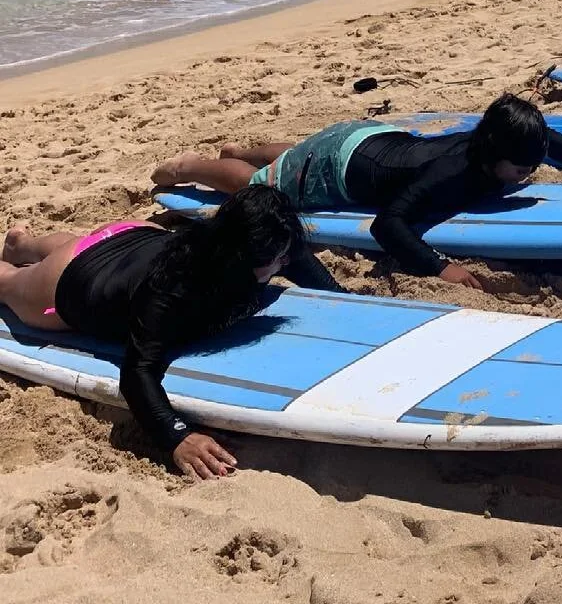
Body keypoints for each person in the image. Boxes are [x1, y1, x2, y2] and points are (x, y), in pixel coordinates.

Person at [0, 186, 327, 479]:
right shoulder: (172, 292)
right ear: (241, 259)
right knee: (9, 283)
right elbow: (138, 371)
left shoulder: (233, 238)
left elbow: (293, 253)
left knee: (75, 245)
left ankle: (23, 243)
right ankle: (18, 258)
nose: (284, 263)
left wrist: (339, 291)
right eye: (277, 259)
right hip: (69, 281)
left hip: (131, 236)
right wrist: (177, 437)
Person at [152, 95, 562, 288]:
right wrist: (441, 268)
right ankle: (197, 165)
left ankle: (244, 146)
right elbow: (388, 224)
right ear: (494, 154)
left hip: (371, 139)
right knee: (264, 183)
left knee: (304, 150)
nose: (528, 172)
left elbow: (551, 141)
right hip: (338, 169)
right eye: (522, 167)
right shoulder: (450, 174)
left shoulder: (494, 141)